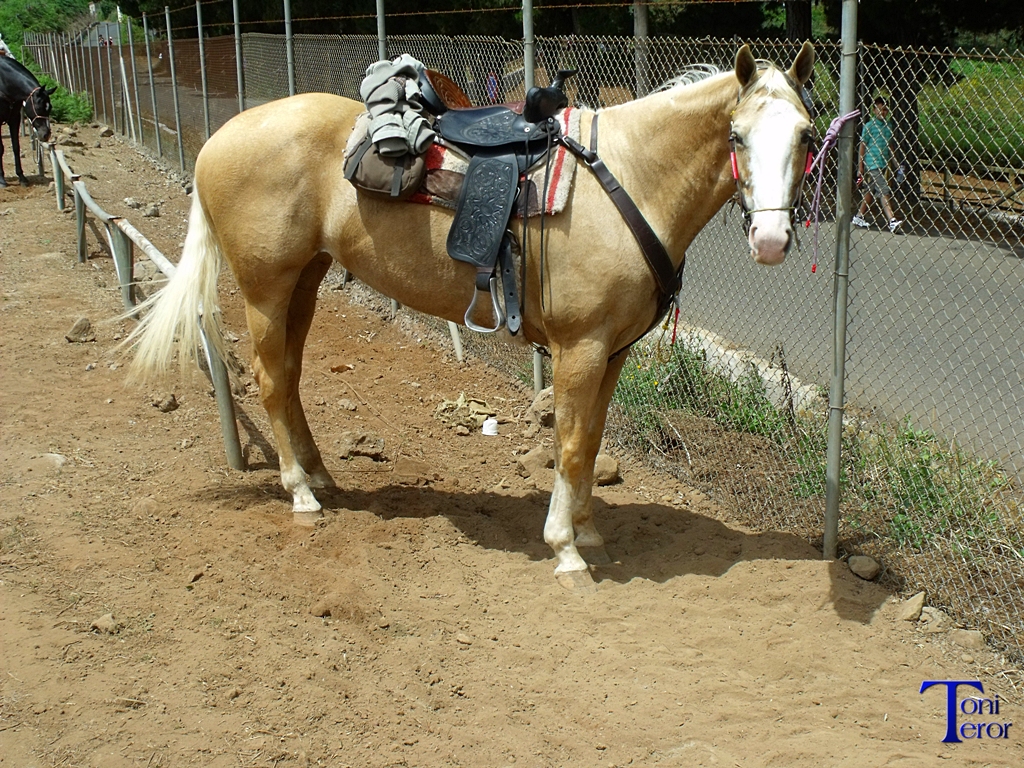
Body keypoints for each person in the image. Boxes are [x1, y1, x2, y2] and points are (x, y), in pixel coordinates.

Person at [852, 96, 902, 233]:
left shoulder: (888, 126)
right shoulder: (869, 126)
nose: (883, 112)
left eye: (885, 110)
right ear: (874, 110)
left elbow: (890, 146)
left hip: (883, 162)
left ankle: (859, 215)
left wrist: (896, 164)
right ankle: (891, 220)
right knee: (884, 190)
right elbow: (863, 146)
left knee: (870, 191)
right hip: (872, 163)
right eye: (880, 109)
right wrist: (860, 166)